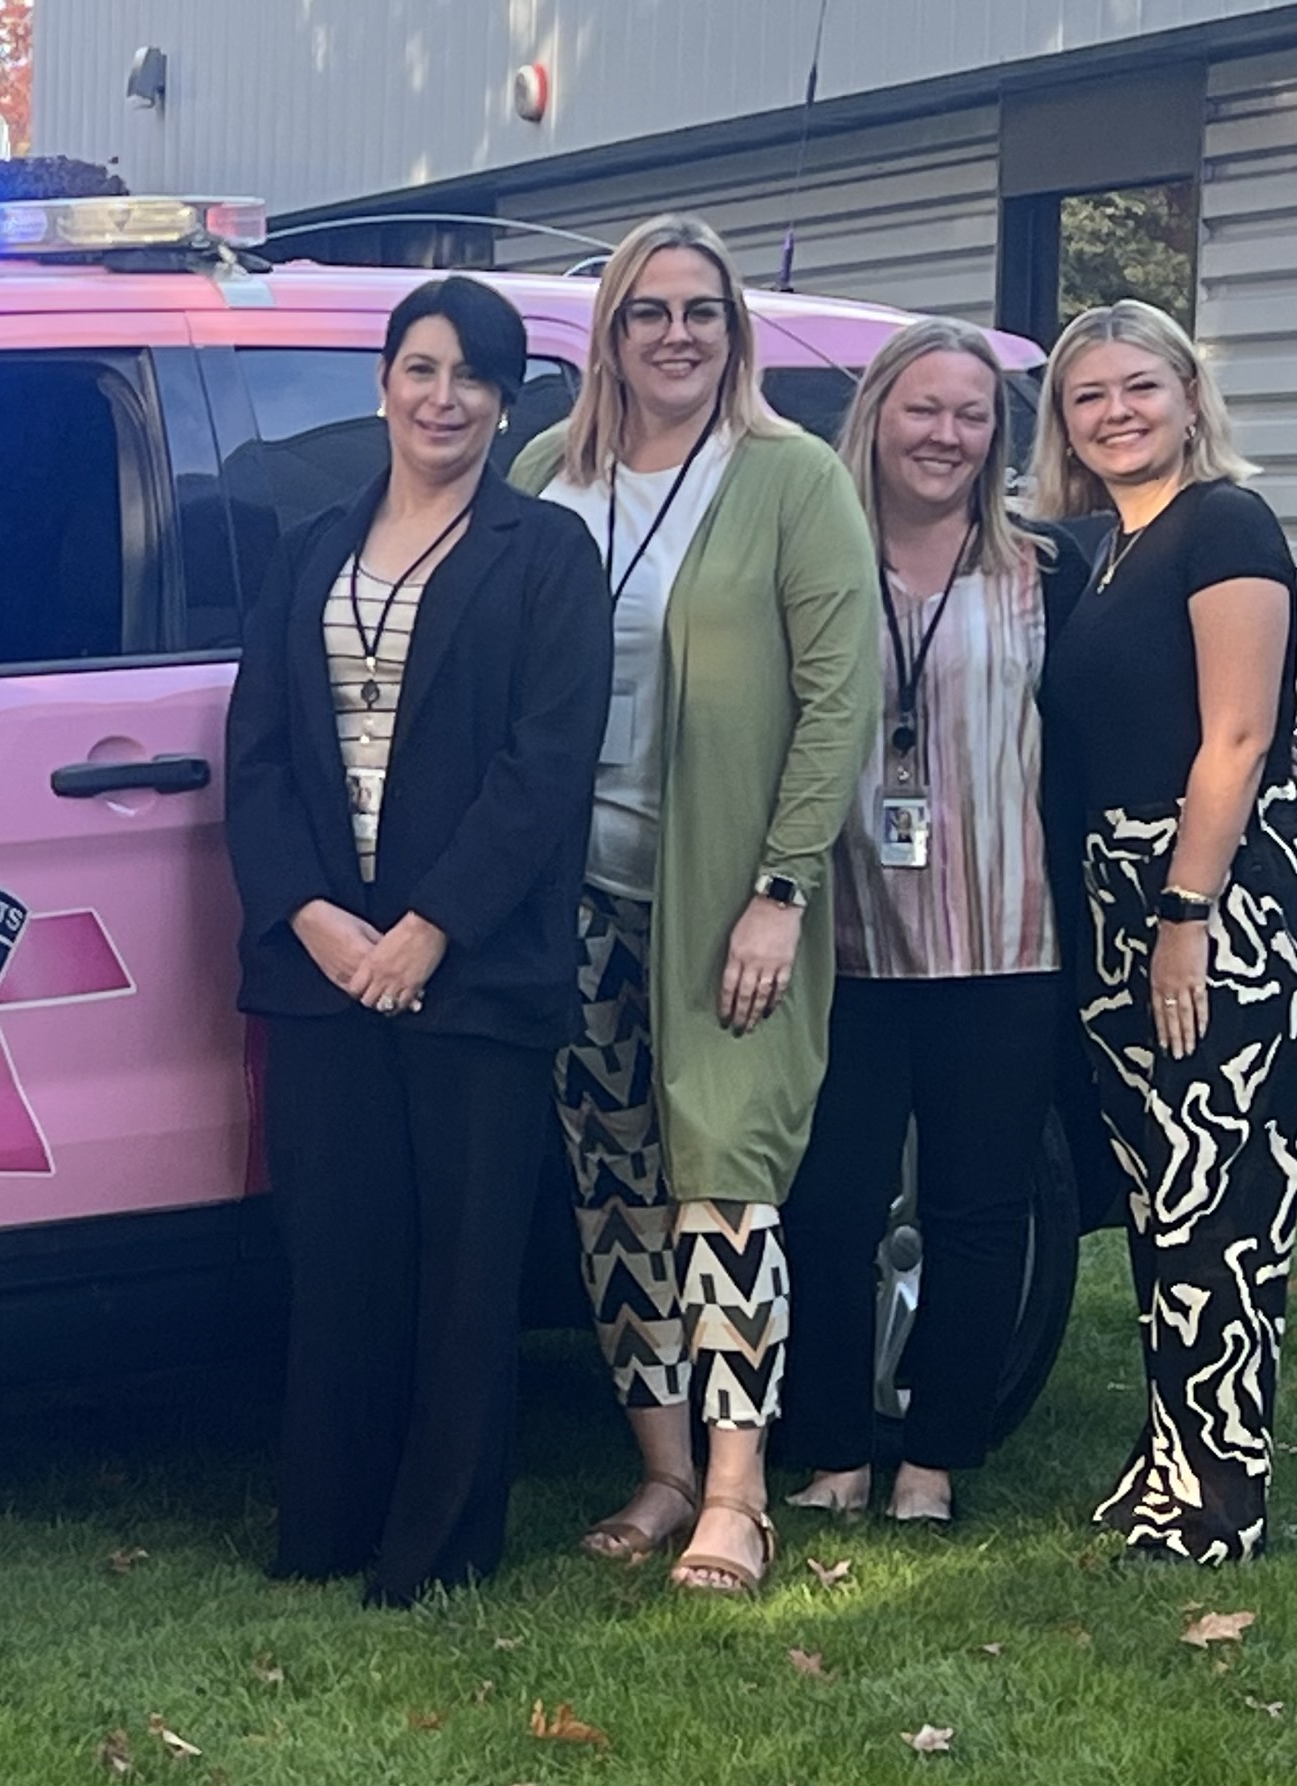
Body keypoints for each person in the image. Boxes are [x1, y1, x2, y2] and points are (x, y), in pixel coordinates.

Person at [507, 214, 878, 1596]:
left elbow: (839, 700)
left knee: (720, 1187)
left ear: (732, 333)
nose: (674, 334)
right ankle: (659, 1471)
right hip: (573, 897)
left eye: (701, 313)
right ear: (604, 334)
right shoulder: (547, 474)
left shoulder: (786, 479)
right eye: (646, 311)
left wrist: (779, 888)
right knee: (613, 1194)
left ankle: (737, 1489)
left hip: (726, 894)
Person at [228, 276, 612, 1607]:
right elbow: (259, 756)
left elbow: (543, 765)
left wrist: (428, 928)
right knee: (337, 1255)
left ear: (505, 402)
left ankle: (436, 1542)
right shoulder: (307, 550)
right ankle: (326, 1525)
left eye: (470, 375)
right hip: (321, 968)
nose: (440, 396)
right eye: (418, 367)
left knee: (462, 1270)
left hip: (475, 969)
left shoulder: (544, 554)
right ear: (381, 381)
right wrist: (321, 922)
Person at [1035, 298, 1297, 1564]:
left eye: (1138, 387)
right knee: (1164, 1201)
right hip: (1116, 904)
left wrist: (1183, 913)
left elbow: (1238, 735)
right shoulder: (1100, 546)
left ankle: (1222, 1502)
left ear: (1189, 395)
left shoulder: (1225, 524)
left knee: (1225, 1200)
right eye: (1088, 395)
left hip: (1224, 908)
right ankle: (1171, 1467)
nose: (1115, 412)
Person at [777, 320, 1093, 1525]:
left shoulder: (1045, 570)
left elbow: (1140, 704)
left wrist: (1275, 742)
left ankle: (934, 1460)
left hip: (1007, 939)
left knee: (978, 1208)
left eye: (972, 415)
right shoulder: (815, 558)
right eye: (924, 409)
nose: (947, 435)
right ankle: (836, 1453)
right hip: (843, 939)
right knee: (834, 1203)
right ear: (874, 418)